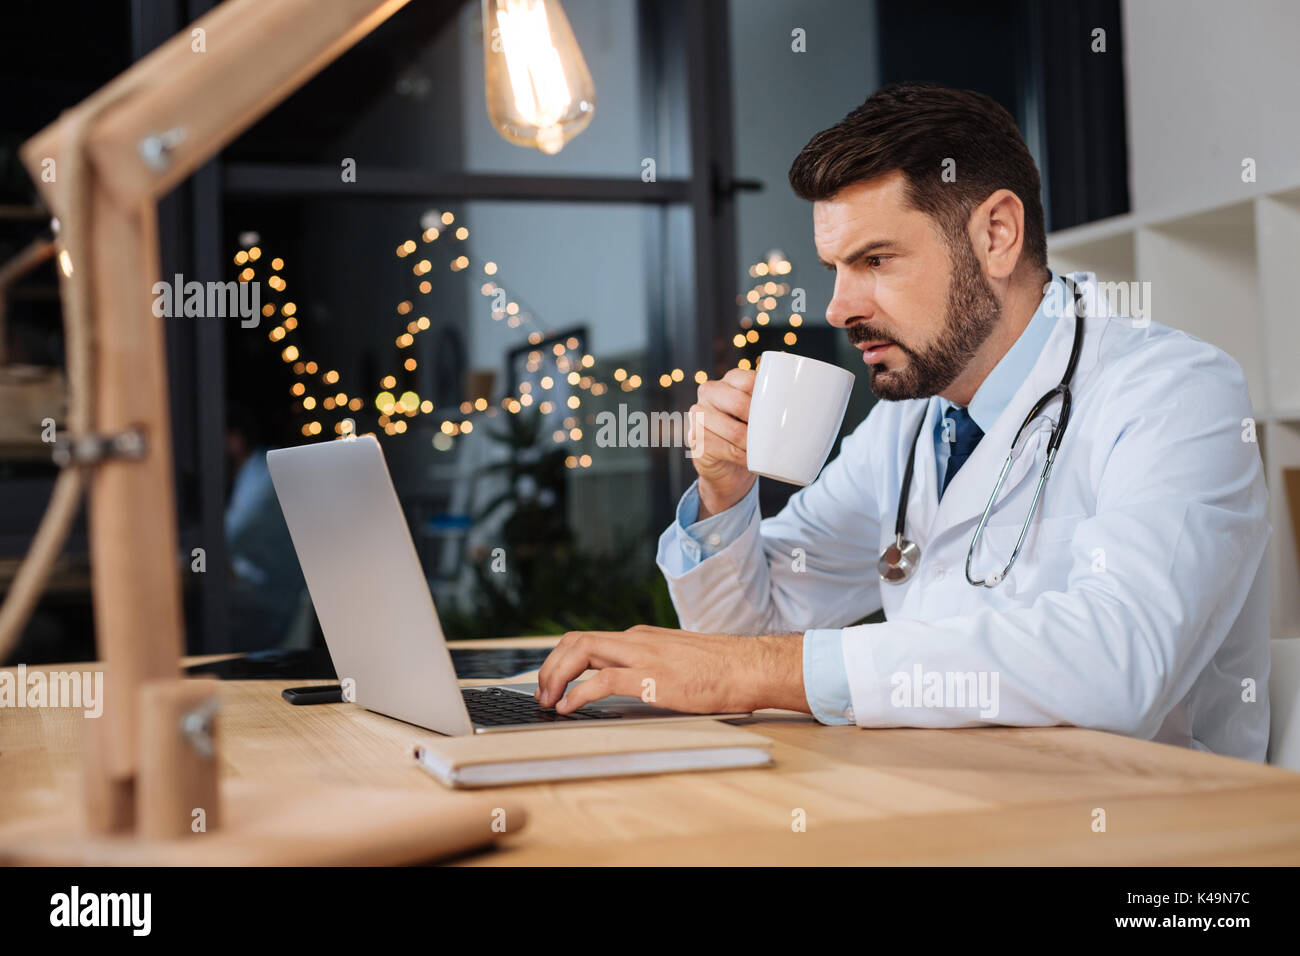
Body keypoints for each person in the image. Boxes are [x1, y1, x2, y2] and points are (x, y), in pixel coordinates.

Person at [533, 82, 1271, 761]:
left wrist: (756, 670)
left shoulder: (1174, 392)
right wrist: (725, 491)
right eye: (834, 269)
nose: (837, 308)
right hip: (947, 792)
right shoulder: (912, 423)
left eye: (876, 260)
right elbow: (745, 637)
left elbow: (1120, 663)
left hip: (1146, 829)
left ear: (997, 235)